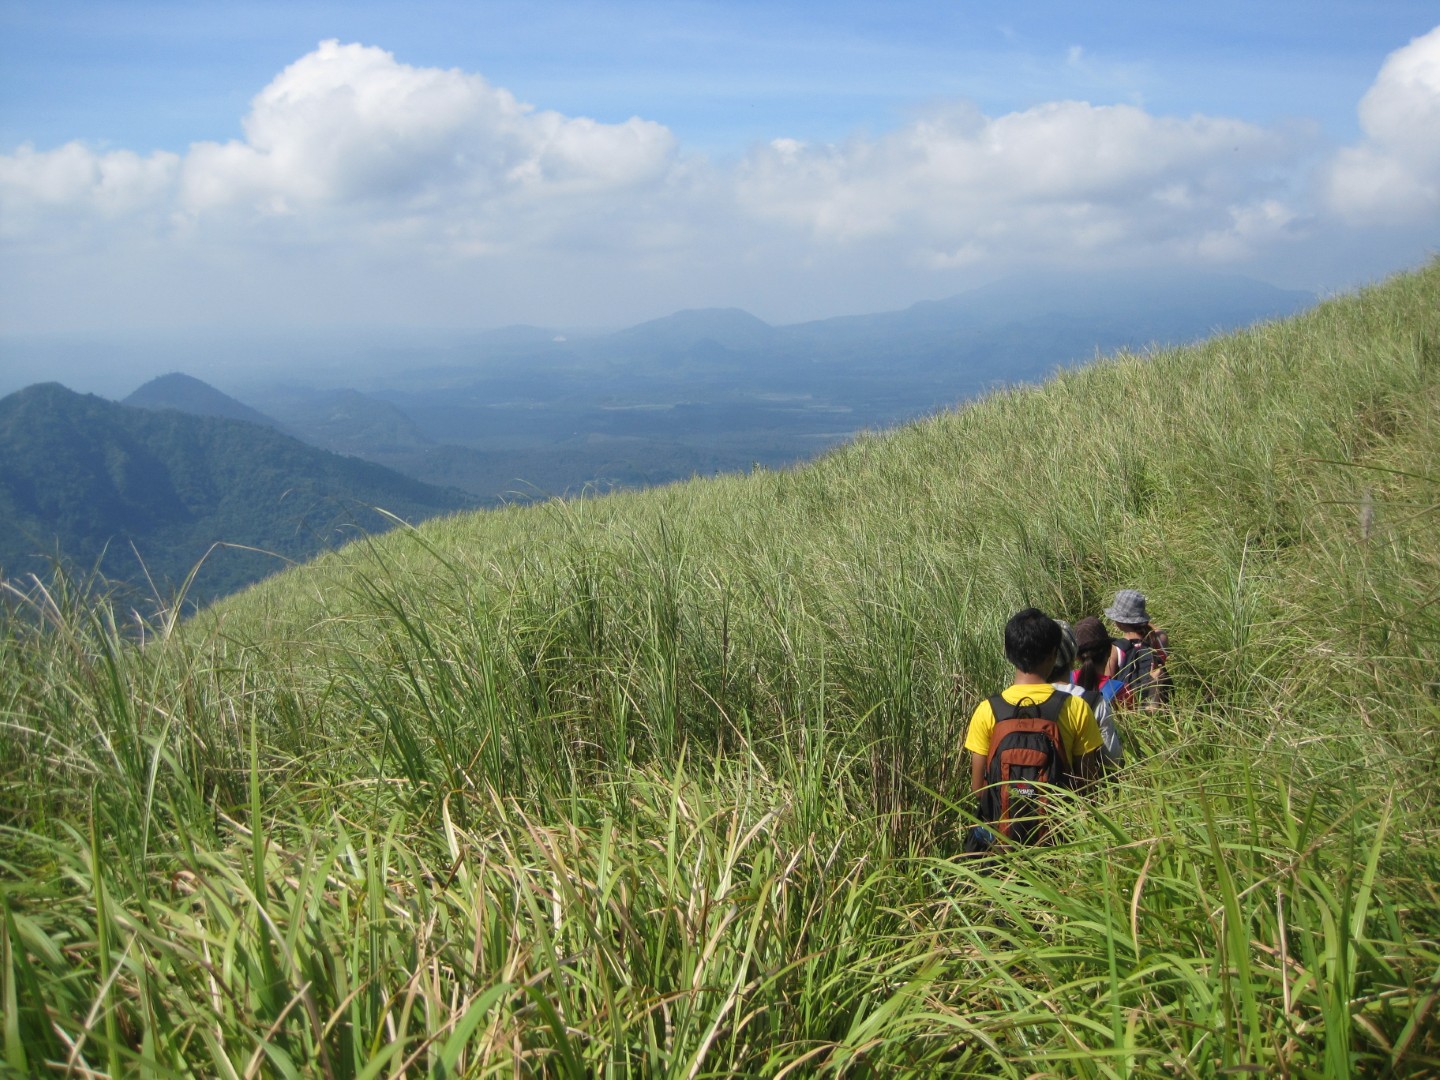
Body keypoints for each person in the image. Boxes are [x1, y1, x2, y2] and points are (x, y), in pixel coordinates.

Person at [963, 609, 1103, 850]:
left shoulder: (988, 710)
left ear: (1008, 654)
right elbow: (1087, 786)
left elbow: (978, 789)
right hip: (1059, 844)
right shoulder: (1075, 707)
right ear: (1054, 654)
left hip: (1002, 846)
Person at [1065, 616, 1124, 767]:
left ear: (1077, 657)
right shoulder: (1120, 690)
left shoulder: (1064, 683)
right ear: (1109, 652)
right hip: (1106, 768)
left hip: (1070, 766)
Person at [1102, 589, 1170, 710]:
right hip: (1159, 705)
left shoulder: (1117, 648)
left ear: (1119, 623)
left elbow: (1107, 682)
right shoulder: (1159, 639)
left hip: (1129, 710)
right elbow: (1156, 629)